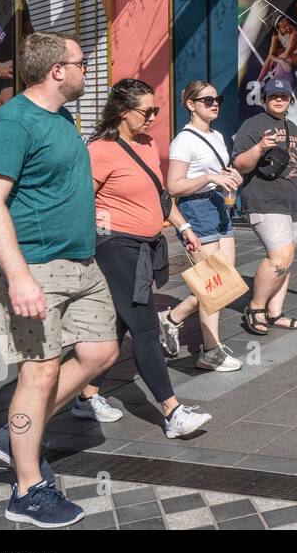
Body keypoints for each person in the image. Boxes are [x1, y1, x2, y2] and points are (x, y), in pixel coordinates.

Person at [0, 32, 120, 528]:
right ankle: (27, 490)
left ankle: (14, 437)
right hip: (32, 267)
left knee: (101, 352)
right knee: (41, 371)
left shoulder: (61, 117)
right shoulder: (11, 124)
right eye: (81, 63)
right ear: (57, 70)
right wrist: (17, 277)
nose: (87, 71)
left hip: (81, 262)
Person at [73, 78, 212, 439]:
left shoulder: (148, 144)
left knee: (120, 325)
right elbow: (81, 203)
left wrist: (182, 228)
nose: (153, 117)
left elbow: (161, 196)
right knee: (146, 327)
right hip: (117, 248)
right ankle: (173, 412)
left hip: (148, 245)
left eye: (156, 110)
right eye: (146, 111)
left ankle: (85, 397)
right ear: (123, 112)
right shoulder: (100, 150)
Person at [232, 76, 297, 335]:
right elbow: (239, 164)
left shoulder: (294, 128)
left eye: (284, 97)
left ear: (289, 101)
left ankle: (275, 312)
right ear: (265, 98)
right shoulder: (252, 125)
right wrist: (259, 148)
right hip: (265, 201)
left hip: (294, 204)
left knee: (287, 260)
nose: (279, 100)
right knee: (280, 257)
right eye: (274, 96)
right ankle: (255, 308)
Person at [160, 80, 244, 371]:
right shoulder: (184, 141)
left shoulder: (218, 135)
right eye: (206, 100)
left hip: (217, 205)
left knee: (224, 283)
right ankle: (210, 351)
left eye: (216, 98)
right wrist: (210, 177)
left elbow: (218, 173)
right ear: (190, 104)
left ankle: (172, 319)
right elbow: (174, 185)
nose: (214, 103)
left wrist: (230, 177)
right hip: (195, 208)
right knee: (214, 284)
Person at [259, 13, 297, 82]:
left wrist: (277, 61)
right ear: (278, 30)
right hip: (290, 51)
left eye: (287, 24)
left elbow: (286, 54)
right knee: (273, 57)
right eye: (284, 27)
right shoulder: (275, 35)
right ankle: (258, 80)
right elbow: (270, 55)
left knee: (282, 64)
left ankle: (275, 85)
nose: (288, 27)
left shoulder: (294, 33)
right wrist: (277, 60)